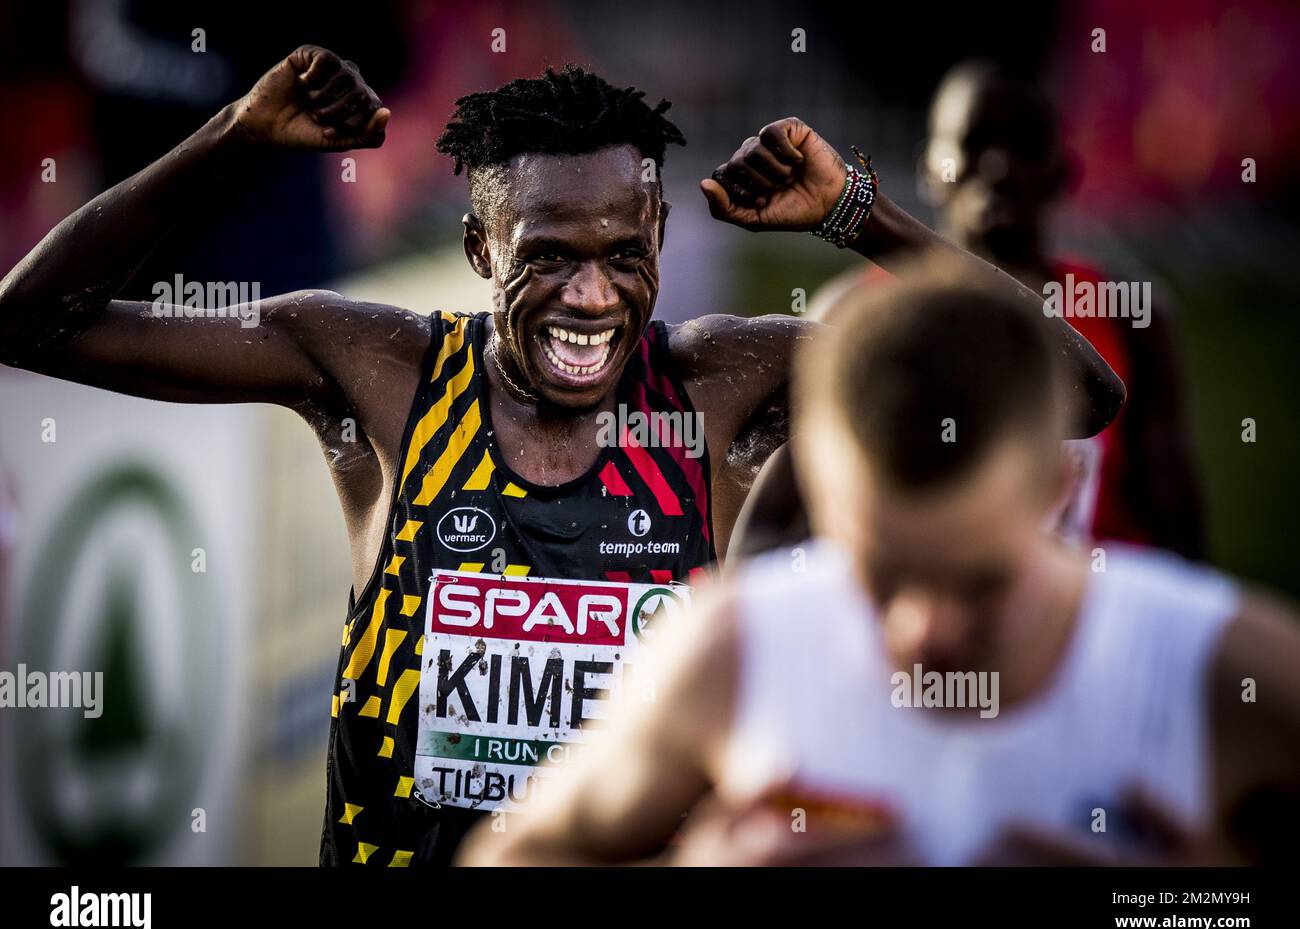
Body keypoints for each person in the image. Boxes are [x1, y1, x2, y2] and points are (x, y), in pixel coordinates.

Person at [0, 47, 1122, 866]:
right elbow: (30, 322)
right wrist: (233, 139)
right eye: (547, 256)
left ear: (660, 244)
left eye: (623, 254)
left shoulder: (720, 384)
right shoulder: (379, 370)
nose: (592, 298)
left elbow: (1073, 391)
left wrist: (858, 215)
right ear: (478, 246)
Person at [458, 263, 1299, 866]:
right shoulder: (732, 647)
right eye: (880, 572)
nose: (921, 628)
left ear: (1060, 485)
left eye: (981, 580)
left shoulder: (1221, 672)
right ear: (820, 490)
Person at [731, 60, 1203, 562]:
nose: (998, 167)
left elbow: (1173, 520)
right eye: (974, 143)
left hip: (1080, 627)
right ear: (928, 166)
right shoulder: (853, 315)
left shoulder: (1126, 312)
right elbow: (775, 530)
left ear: (1063, 172)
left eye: (1024, 144)